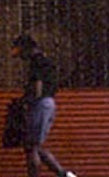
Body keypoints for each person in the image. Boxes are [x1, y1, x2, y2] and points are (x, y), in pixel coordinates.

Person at [11, 33, 78, 177]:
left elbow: (37, 87)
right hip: (47, 104)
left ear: (25, 48)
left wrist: (26, 102)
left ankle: (60, 174)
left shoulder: (37, 62)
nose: (18, 54)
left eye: (18, 49)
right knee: (33, 145)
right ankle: (64, 174)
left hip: (40, 104)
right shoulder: (45, 61)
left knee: (32, 147)